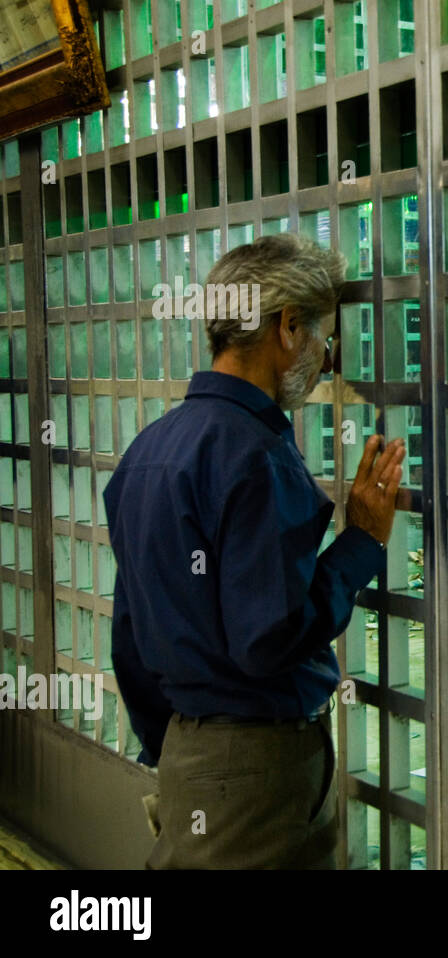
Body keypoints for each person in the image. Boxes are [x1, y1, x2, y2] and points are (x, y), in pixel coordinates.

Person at [104, 233, 405, 869]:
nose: (328, 361)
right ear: (289, 327)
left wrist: (187, 750)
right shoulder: (257, 456)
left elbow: (130, 635)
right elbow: (267, 637)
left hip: (188, 753)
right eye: (325, 337)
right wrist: (362, 540)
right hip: (257, 769)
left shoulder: (147, 452)